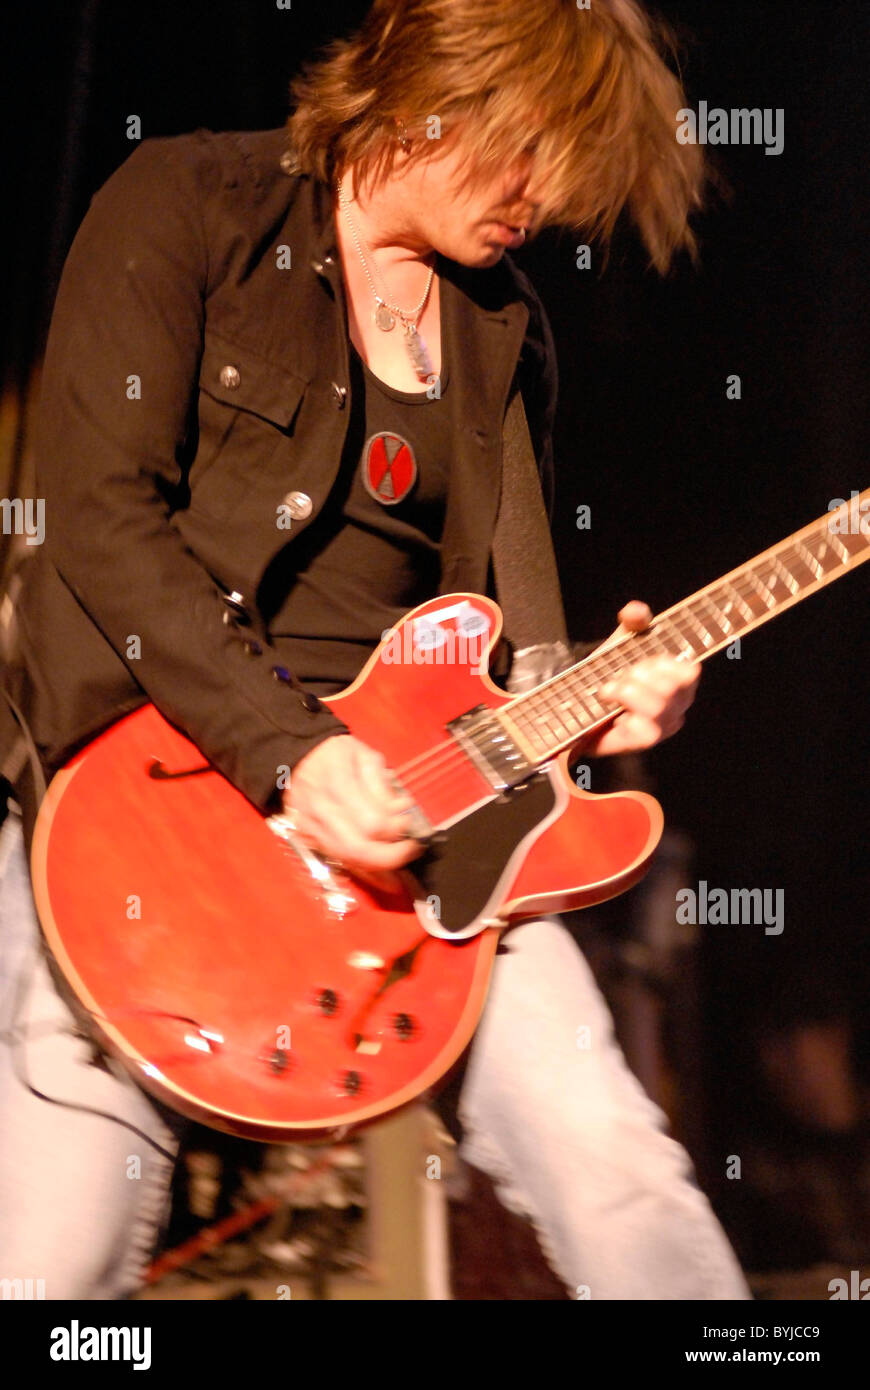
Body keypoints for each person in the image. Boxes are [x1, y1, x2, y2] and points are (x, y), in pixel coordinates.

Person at [0, 0, 750, 1299]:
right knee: (52, 1262)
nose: (547, 204)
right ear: (433, 93)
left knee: (623, 1177)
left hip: (429, 843)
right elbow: (94, 519)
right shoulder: (186, 201)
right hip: (152, 807)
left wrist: (597, 702)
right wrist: (293, 754)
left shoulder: (503, 333)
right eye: (529, 157)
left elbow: (500, 650)